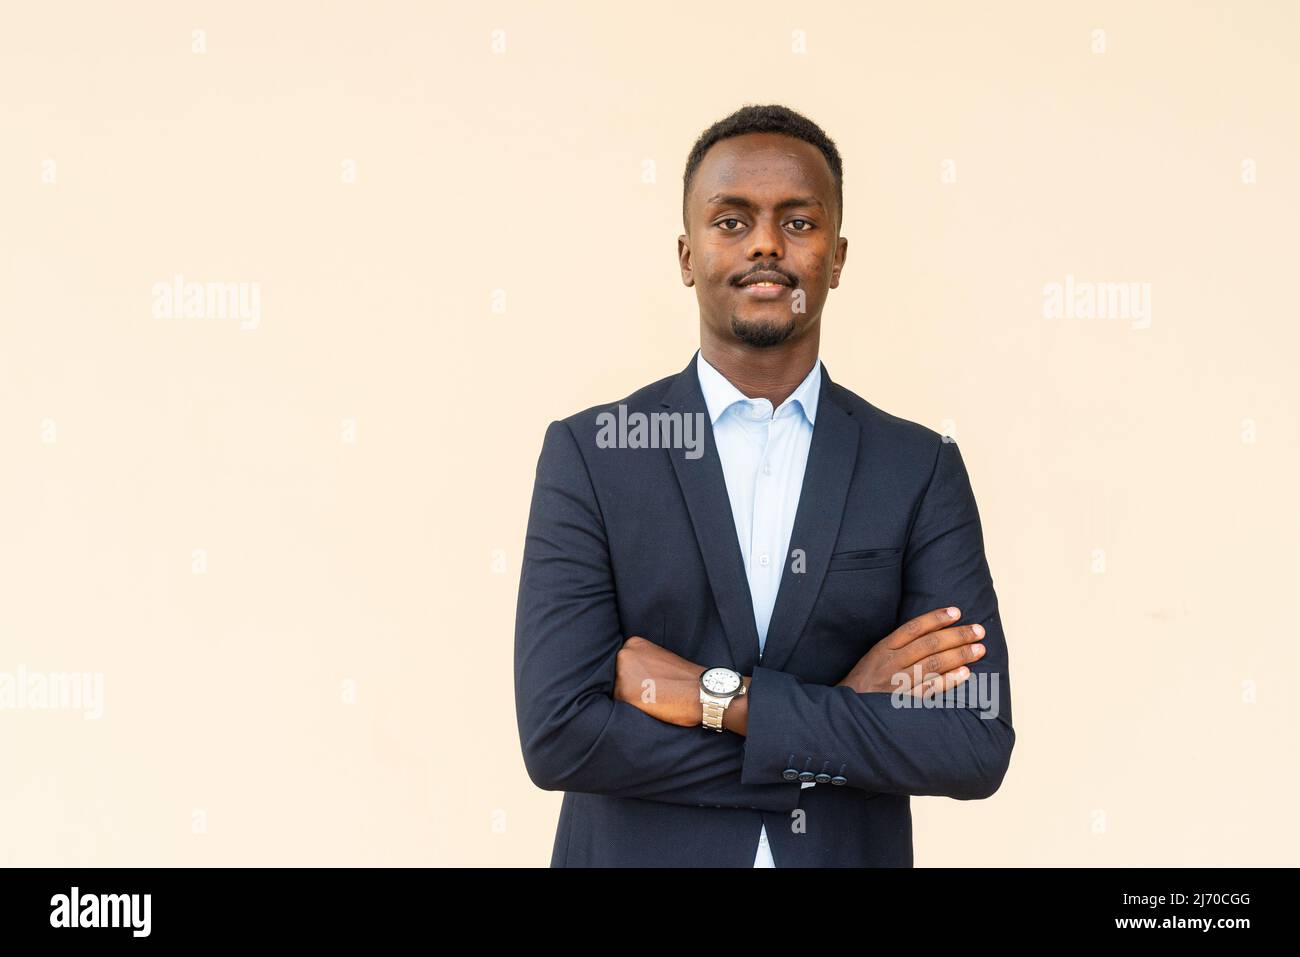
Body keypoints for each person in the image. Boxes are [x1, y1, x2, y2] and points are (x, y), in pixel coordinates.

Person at [513, 104, 1015, 867]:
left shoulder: (917, 467)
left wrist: (723, 700)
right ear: (687, 255)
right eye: (731, 220)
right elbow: (559, 735)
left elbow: (973, 740)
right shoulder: (592, 454)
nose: (767, 245)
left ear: (838, 258)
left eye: (800, 222)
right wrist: (838, 720)